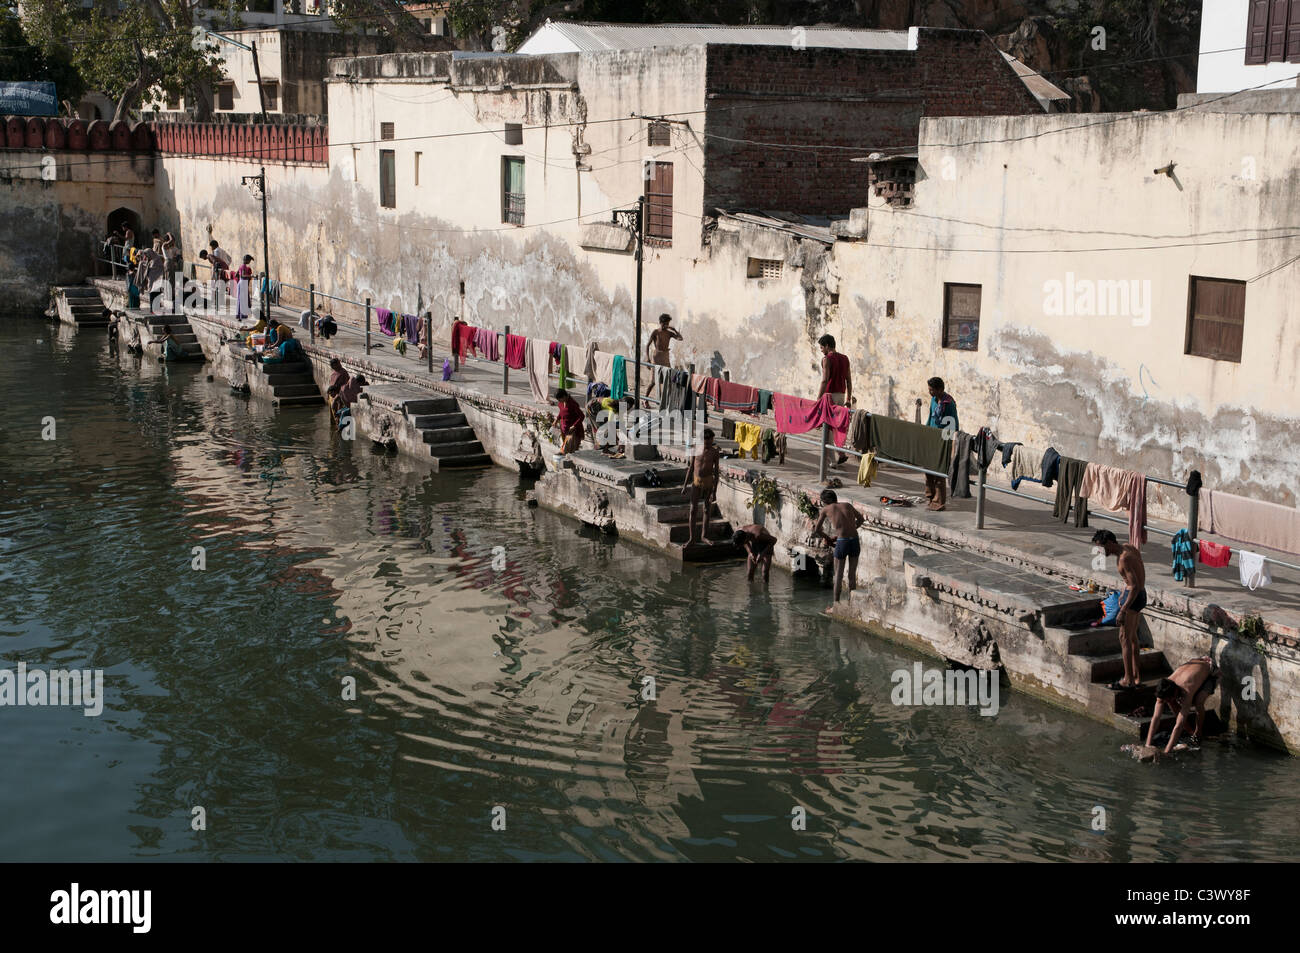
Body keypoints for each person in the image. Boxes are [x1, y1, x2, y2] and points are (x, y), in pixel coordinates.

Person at [1093, 529, 1147, 691]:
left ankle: (1127, 679)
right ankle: (1136, 677)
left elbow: (1134, 586)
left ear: (1109, 543)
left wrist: (1122, 610)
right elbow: (1138, 578)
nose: (1101, 552)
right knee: (1132, 639)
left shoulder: (1123, 559)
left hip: (1132, 599)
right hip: (1141, 596)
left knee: (1124, 638)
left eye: (1102, 548)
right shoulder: (1129, 548)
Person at [1146, 655, 1219, 754]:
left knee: (1198, 701)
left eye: (1171, 698)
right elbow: (1155, 718)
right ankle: (1189, 731)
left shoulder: (1186, 690)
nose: (1167, 701)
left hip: (1211, 670)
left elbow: (1178, 725)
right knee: (1171, 702)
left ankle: (1198, 732)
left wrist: (1167, 751)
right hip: (1197, 661)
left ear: (1176, 691)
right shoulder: (1163, 689)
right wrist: (1148, 745)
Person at [811, 489, 865, 611]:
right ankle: (852, 605)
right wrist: (851, 528)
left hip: (842, 542)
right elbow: (861, 519)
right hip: (854, 540)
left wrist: (828, 538)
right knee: (852, 575)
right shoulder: (847, 505)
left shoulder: (826, 509)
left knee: (838, 576)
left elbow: (817, 530)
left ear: (826, 501)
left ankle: (835, 606)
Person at [681, 427, 721, 546]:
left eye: (710, 441)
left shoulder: (715, 452)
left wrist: (715, 491)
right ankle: (692, 538)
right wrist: (684, 485)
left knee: (706, 509)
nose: (708, 444)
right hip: (696, 482)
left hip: (709, 482)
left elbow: (716, 472)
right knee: (693, 510)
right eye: (706, 441)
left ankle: (704, 536)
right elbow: (691, 468)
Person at [818, 334, 852, 467]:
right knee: (837, 426)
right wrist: (848, 398)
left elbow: (824, 380)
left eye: (822, 347)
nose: (821, 350)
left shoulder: (827, 359)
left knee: (827, 430)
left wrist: (818, 398)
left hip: (829, 396)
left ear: (827, 346)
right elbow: (848, 380)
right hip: (841, 396)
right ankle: (840, 453)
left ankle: (831, 462)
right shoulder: (845, 359)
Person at [924, 376, 958, 511]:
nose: (930, 392)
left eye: (932, 390)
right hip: (931, 437)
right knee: (928, 468)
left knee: (938, 471)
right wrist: (925, 431)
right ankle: (930, 496)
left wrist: (946, 445)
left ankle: (939, 501)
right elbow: (930, 417)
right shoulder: (933, 400)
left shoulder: (949, 404)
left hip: (942, 440)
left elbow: (952, 424)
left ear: (939, 390)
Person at [645, 313, 683, 403]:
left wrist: (675, 330)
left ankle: (666, 400)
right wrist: (648, 358)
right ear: (660, 322)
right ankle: (645, 400)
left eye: (668, 323)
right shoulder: (656, 332)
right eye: (665, 323)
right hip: (657, 357)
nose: (666, 325)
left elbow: (680, 338)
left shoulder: (669, 333)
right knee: (654, 381)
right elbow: (647, 345)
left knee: (668, 379)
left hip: (665, 357)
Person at [553, 388, 585, 455]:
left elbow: (582, 416)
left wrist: (574, 426)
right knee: (566, 447)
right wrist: (556, 419)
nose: (559, 401)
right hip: (564, 429)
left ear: (564, 396)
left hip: (573, 431)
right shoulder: (561, 403)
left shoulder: (572, 404)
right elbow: (562, 412)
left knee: (569, 449)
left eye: (559, 399)